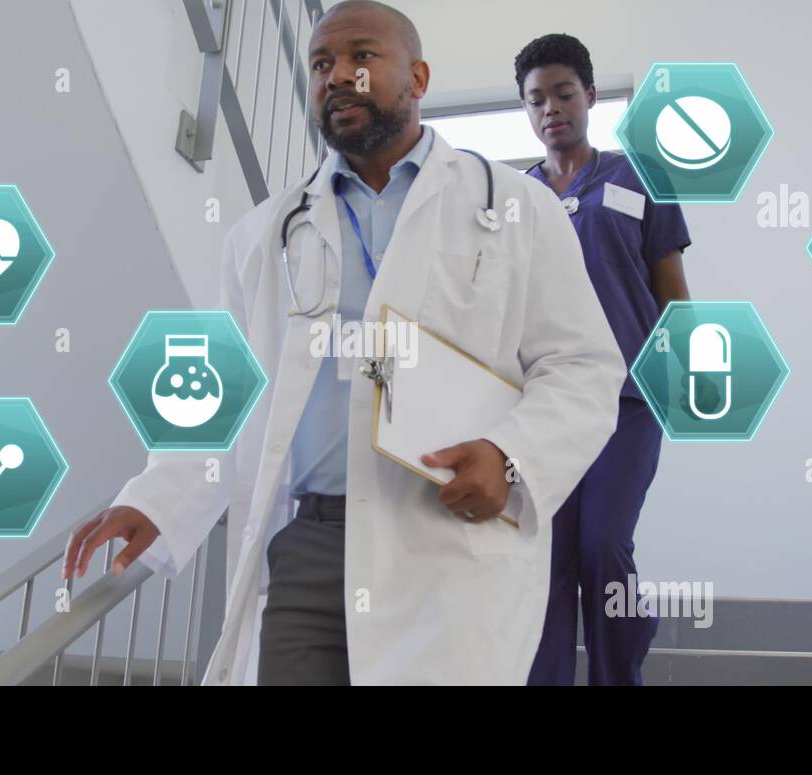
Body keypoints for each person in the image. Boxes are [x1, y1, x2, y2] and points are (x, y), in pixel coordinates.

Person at [64, 2, 625, 686]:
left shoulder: (514, 207)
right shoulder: (265, 234)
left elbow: (584, 368)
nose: (338, 76)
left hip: (443, 532)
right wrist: (157, 497)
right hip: (311, 546)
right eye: (322, 63)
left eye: (363, 57)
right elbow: (220, 389)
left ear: (417, 78)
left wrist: (511, 459)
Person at [514, 33, 692, 686]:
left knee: (603, 545)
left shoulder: (638, 177)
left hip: (629, 398)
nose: (551, 109)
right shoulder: (514, 200)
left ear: (590, 97)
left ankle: (619, 675)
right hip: (544, 405)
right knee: (547, 560)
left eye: (564, 93)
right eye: (536, 100)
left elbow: (672, 291)